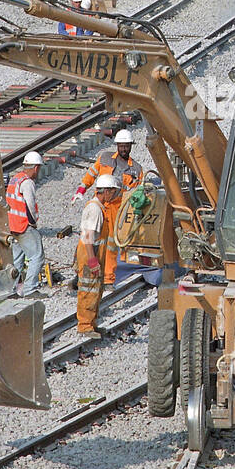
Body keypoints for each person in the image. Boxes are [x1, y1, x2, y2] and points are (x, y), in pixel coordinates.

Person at [74, 129, 144, 283]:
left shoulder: (136, 169)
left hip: (116, 210)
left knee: (111, 245)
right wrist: (81, 190)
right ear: (117, 145)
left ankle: (108, 279)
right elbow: (91, 175)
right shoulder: (105, 158)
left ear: (131, 146)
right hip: (99, 204)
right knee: (87, 238)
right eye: (121, 146)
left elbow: (136, 194)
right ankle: (80, 271)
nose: (124, 149)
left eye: (127, 146)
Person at [75, 174, 119, 335]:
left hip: (93, 253)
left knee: (96, 289)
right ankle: (85, 325)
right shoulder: (95, 209)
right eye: (112, 192)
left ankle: (91, 323)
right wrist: (92, 260)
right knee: (89, 289)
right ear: (105, 191)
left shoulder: (99, 207)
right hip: (89, 254)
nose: (113, 195)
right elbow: (88, 236)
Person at [6, 150, 45, 296]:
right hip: (23, 226)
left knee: (17, 260)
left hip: (12, 226)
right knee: (37, 256)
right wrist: (33, 223)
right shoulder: (27, 183)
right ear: (35, 168)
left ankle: (12, 290)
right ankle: (30, 289)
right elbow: (30, 205)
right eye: (38, 168)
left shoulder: (16, 179)